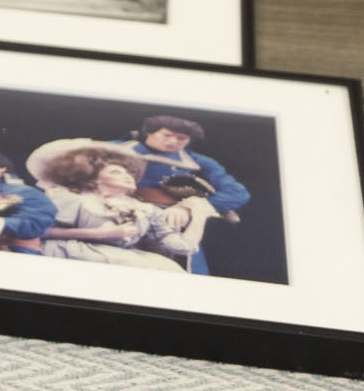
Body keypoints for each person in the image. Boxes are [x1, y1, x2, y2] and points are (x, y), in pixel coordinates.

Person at [111, 114, 249, 275]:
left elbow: (237, 193)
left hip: (172, 221)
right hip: (120, 214)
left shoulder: (199, 161)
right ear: (149, 132)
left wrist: (189, 208)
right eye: (167, 135)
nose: (173, 142)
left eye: (181, 138)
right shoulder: (115, 148)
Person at [28, 139, 197, 270]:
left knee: (167, 267)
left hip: (121, 256)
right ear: (92, 177)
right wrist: (101, 233)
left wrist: (199, 212)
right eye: (116, 172)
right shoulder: (72, 199)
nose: (128, 176)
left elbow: (180, 247)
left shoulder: (145, 208)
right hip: (73, 253)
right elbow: (38, 231)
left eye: (128, 172)